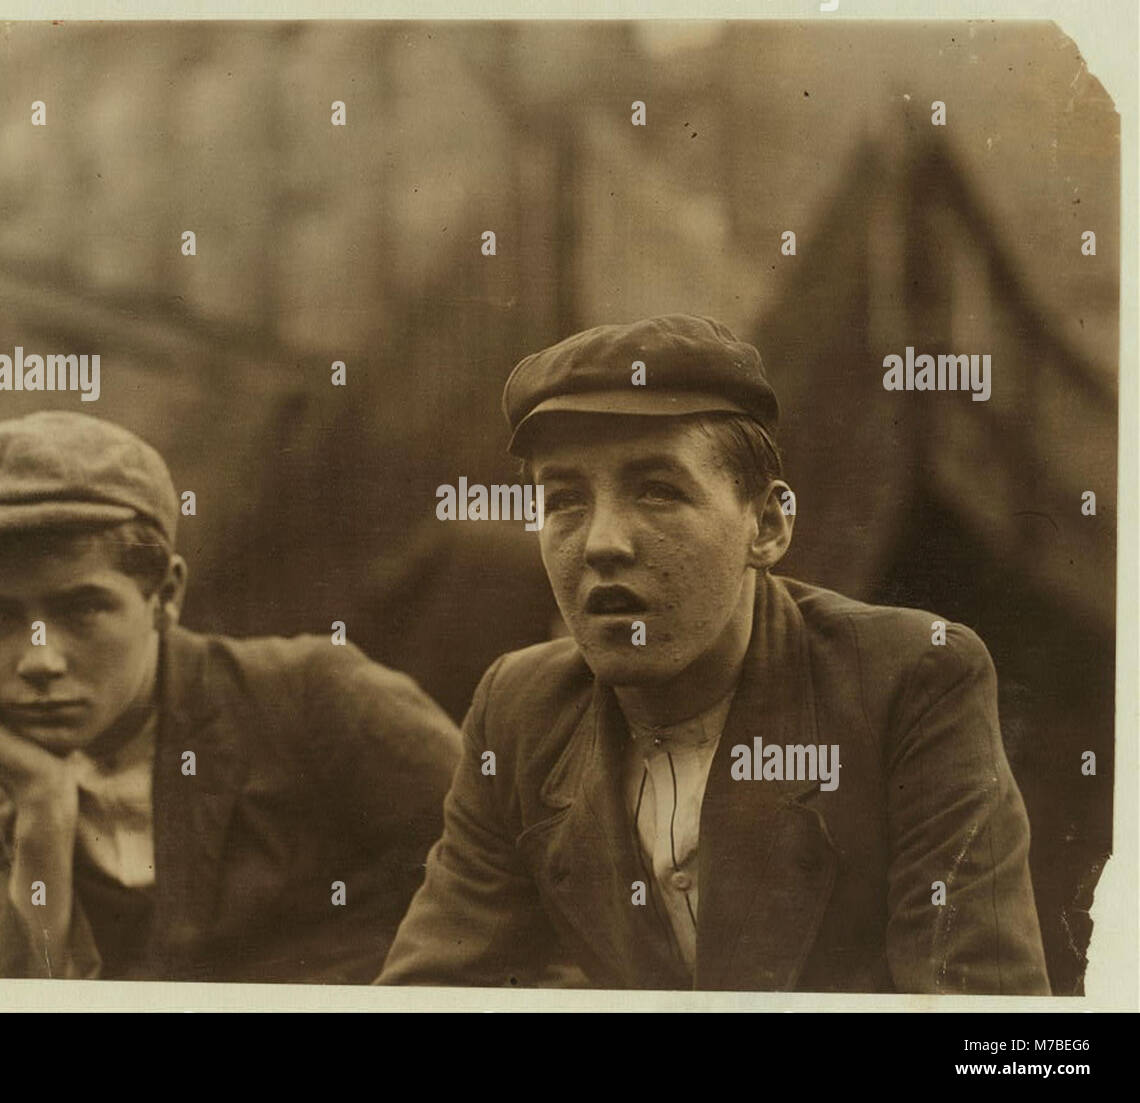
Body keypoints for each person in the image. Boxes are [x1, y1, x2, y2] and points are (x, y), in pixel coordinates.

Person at [379, 314, 1051, 993]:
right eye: (565, 499)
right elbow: (428, 990)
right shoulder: (519, 710)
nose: (602, 542)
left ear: (767, 524)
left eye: (658, 490)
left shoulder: (911, 680)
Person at [0, 410, 461, 982]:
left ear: (165, 596)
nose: (39, 658)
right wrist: (41, 808)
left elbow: (512, 884)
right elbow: (12, 1006)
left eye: (81, 608)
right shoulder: (15, 788)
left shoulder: (314, 695)